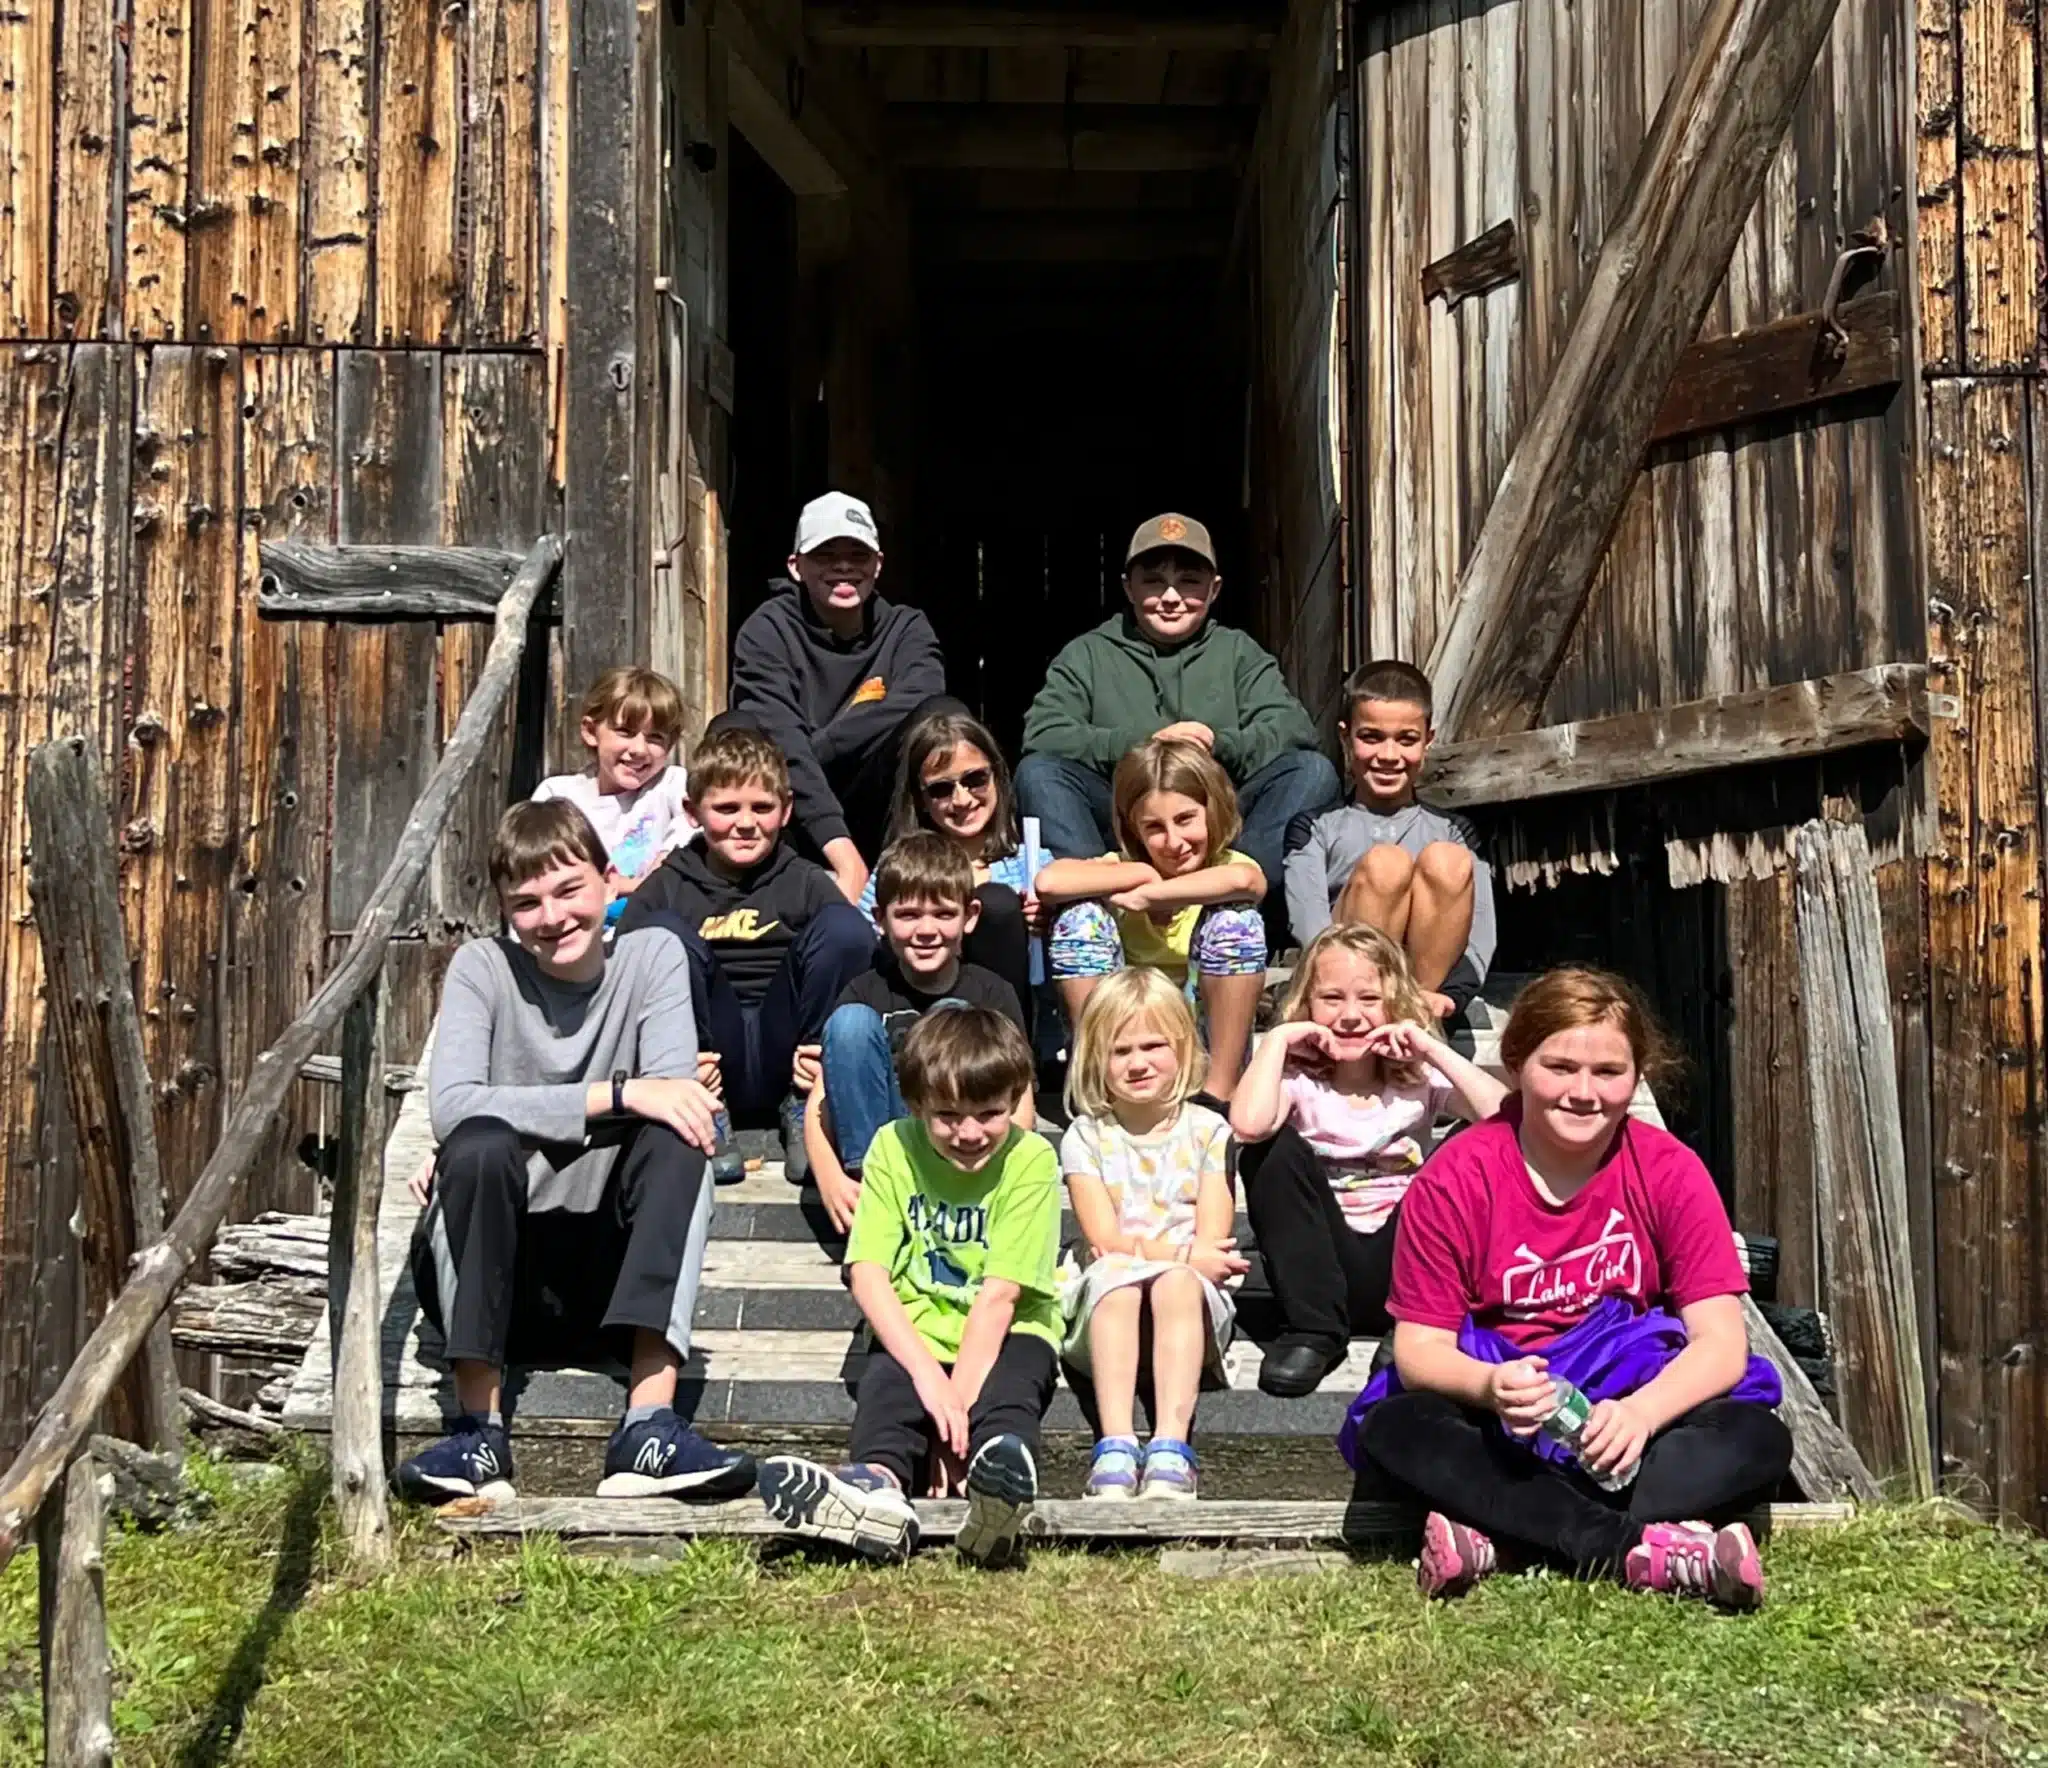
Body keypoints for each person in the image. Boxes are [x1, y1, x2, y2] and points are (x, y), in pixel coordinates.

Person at [1343, 968, 1793, 1609]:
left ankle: (1504, 1531)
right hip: (1505, 1403)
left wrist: (1642, 1414)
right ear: (1518, 1063)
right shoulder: (1457, 1176)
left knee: (1758, 1438)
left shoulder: (1669, 1169)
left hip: (1626, 1395)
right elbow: (1419, 1351)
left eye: (1608, 1072)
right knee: (1398, 1428)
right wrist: (1490, 1389)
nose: (1584, 1093)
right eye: (1560, 1067)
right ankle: (1640, 1551)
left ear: (1637, 1076)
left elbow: (1721, 1343)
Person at [396, 801, 755, 1505]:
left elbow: (676, 1097)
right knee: (477, 1145)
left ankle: (649, 1428)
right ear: (504, 909)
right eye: (526, 903)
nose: (551, 916)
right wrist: (615, 1097)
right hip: (497, 1268)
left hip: (607, 1279)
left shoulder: (651, 957)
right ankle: (478, 1430)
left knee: (677, 1138)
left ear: (607, 878)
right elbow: (454, 1107)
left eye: (568, 890)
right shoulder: (482, 969)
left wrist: (542, 1111)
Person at [757, 1008, 1060, 1567]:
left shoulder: (1031, 1160)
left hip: (1008, 1328)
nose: (969, 1133)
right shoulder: (892, 1147)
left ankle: (997, 1488)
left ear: (1016, 1100)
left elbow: (1001, 1296)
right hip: (915, 1325)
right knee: (887, 1388)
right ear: (916, 1105)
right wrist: (928, 1376)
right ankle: (876, 1487)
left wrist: (956, 1420)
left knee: (1012, 1388)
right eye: (947, 1116)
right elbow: (867, 1270)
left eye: (989, 1114)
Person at [1017, 512, 1340, 929]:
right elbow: (1043, 733)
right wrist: (1145, 744)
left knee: (1312, 772)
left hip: (1216, 830)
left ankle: (1224, 907)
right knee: (1039, 772)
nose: (1171, 596)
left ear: (1214, 588)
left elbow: (1293, 730)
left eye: (1189, 581)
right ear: (1127, 588)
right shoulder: (1088, 654)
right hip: (1124, 830)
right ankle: (1094, 914)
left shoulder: (1239, 652)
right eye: (1153, 581)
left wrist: (1215, 744)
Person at [1230, 924, 1506, 1398]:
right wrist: (1277, 1041)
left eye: (1369, 999)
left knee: (1481, 1145)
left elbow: (1507, 1117)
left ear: (1394, 1004)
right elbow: (1249, 1126)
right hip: (1321, 1266)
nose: (1351, 1016)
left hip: (1406, 1265)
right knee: (1269, 1151)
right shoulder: (1297, 1080)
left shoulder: (1417, 1079)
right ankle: (1315, 1332)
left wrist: (1431, 1048)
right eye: (1332, 998)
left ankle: (1419, 1324)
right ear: (1308, 1004)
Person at [618, 724, 874, 1182]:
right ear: (693, 812)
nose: (745, 822)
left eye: (762, 807)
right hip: (710, 1057)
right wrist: (667, 1057)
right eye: (726, 808)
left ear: (786, 810)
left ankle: (809, 1109)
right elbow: (622, 974)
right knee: (659, 936)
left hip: (789, 1052)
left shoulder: (805, 880)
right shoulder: (668, 885)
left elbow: (857, 958)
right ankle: (703, 1111)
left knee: (846, 928)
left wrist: (820, 1056)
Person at [1059, 969, 1245, 1501]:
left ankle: (1169, 1446)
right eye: (1120, 1051)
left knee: (1176, 1284)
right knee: (1119, 1280)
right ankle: (1115, 1443)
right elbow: (1103, 1239)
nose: (1138, 1063)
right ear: (1096, 1058)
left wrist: (1179, 1258)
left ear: (1184, 1046)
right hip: (1108, 1306)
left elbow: (1215, 1236)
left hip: (1187, 1308)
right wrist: (1182, 1253)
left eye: (1153, 1045)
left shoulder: (1209, 1131)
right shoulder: (1086, 1136)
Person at [724, 490, 951, 903]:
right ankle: (736, 887)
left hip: (880, 803)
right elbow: (780, 739)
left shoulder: (907, 630)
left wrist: (821, 744)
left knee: (941, 717)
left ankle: (936, 871)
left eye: (857, 555)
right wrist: (843, 856)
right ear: (797, 566)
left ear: (877, 565)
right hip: (791, 809)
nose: (844, 566)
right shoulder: (767, 631)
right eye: (826, 555)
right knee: (736, 731)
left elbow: (923, 698)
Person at [807, 834, 1032, 1234]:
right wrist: (829, 1177)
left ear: (970, 915)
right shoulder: (864, 992)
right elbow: (821, 1100)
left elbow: (1020, 1096)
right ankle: (876, 1190)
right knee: (848, 1024)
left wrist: (1009, 1172)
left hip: (962, 1146)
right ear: (880, 919)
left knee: (955, 1018)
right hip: (882, 1149)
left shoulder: (992, 992)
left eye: (943, 914)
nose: (926, 930)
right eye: (908, 915)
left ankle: (943, 1190)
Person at [1035, 739, 1267, 1102]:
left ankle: (1219, 1094)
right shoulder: (1126, 868)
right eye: (1154, 827)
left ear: (1212, 810)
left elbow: (1246, 882)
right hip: (1127, 1035)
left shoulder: (1227, 865)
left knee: (1236, 920)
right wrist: (1142, 874)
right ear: (1134, 830)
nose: (1174, 841)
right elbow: (1050, 881)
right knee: (1079, 918)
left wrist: (1150, 896)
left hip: (1201, 1036)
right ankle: (1099, 1088)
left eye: (1185, 819)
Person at [1283, 659, 1495, 1023]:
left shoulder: (1455, 831)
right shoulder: (1315, 827)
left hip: (1426, 995)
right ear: (1345, 737)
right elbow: (1311, 931)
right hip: (1344, 991)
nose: (1389, 756)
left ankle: (1413, 1015)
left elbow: (1481, 935)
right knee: (1387, 865)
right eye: (1371, 737)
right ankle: (1372, 1008)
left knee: (1448, 861)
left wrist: (1450, 996)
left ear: (1428, 741)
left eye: (1406, 740)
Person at [865, 706, 1047, 1033]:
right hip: (913, 1025)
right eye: (941, 789)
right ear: (920, 799)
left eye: (975, 779)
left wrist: (1049, 920)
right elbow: (862, 936)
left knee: (997, 902)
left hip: (1001, 1033)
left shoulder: (1032, 863)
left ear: (996, 777)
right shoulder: (898, 866)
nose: (961, 800)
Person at [531, 665, 694, 901]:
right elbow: (538, 874)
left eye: (655, 737)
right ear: (590, 731)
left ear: (670, 745)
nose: (639, 749)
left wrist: (629, 885)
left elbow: (692, 842)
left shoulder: (672, 785)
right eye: (625, 732)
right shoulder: (558, 795)